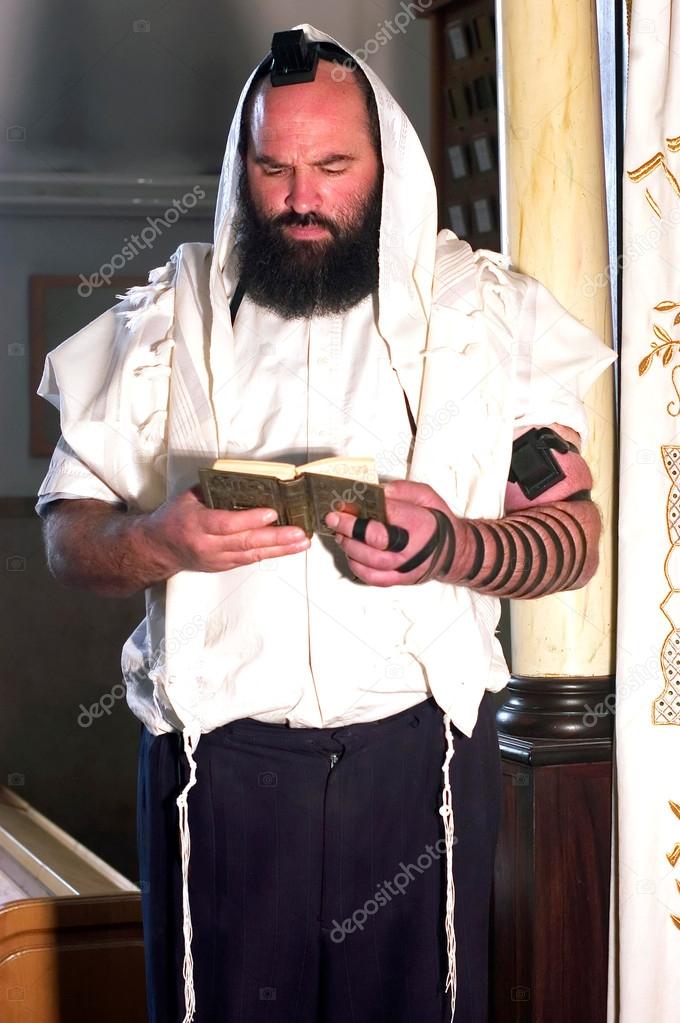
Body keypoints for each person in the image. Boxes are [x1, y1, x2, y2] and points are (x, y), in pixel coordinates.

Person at [36, 24, 615, 1023]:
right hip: (216, 772)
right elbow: (64, 538)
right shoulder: (165, 319)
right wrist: (157, 543)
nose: (301, 196)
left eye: (332, 166)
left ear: (383, 164)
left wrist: (454, 547)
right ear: (241, 166)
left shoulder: (480, 313)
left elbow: (575, 537)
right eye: (275, 167)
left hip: (416, 766)